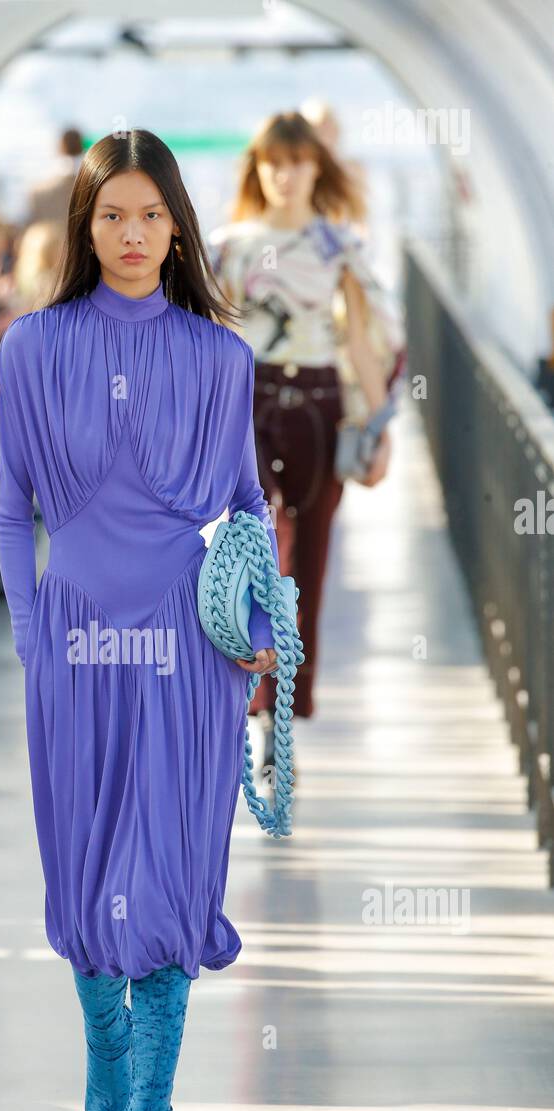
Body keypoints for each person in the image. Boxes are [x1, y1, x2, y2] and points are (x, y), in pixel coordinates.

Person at [0, 129, 279, 1111]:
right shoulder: (32, 346)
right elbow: (13, 505)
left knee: (168, 878)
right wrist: (28, 634)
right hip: (69, 642)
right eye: (110, 214)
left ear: (175, 227)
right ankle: (102, 1037)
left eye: (149, 215)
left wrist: (254, 625)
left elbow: (246, 508)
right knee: (81, 871)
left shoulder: (219, 356)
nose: (128, 234)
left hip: (185, 648)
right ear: (84, 225)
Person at [207, 110, 401, 750]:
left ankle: (285, 705)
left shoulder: (337, 245)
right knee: (266, 551)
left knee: (308, 557)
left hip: (319, 403)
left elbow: (362, 343)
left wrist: (380, 429)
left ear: (316, 166)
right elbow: (212, 342)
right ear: (258, 170)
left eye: (297, 162)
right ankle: (261, 705)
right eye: (273, 163)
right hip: (251, 405)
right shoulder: (230, 246)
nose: (285, 175)